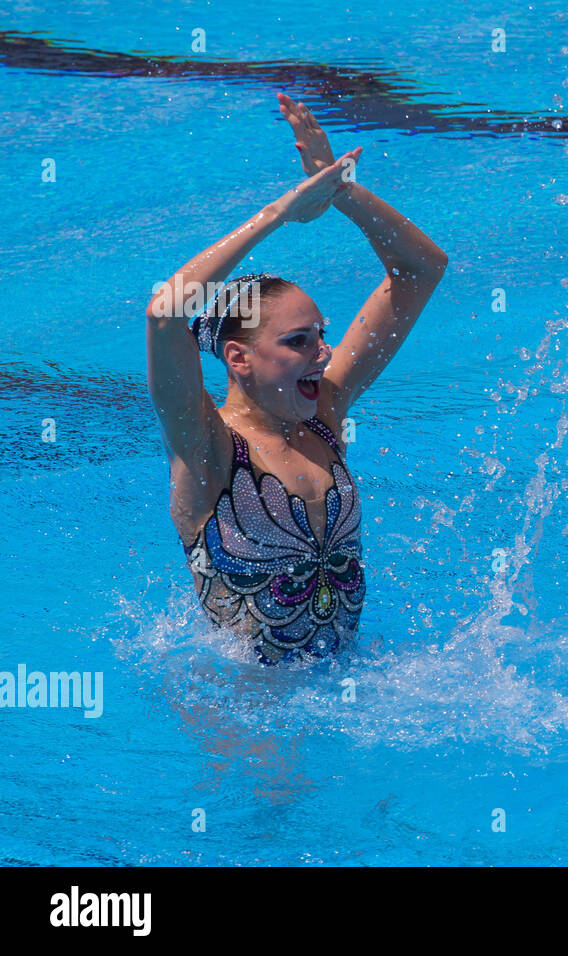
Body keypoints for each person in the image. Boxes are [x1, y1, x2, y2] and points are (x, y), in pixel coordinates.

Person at [146, 94, 448, 664]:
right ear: (238, 358)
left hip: (349, 684)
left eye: (320, 334)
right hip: (245, 713)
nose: (323, 352)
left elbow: (420, 269)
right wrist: (280, 212)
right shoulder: (206, 447)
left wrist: (341, 193)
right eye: (298, 341)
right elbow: (164, 313)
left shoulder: (323, 412)